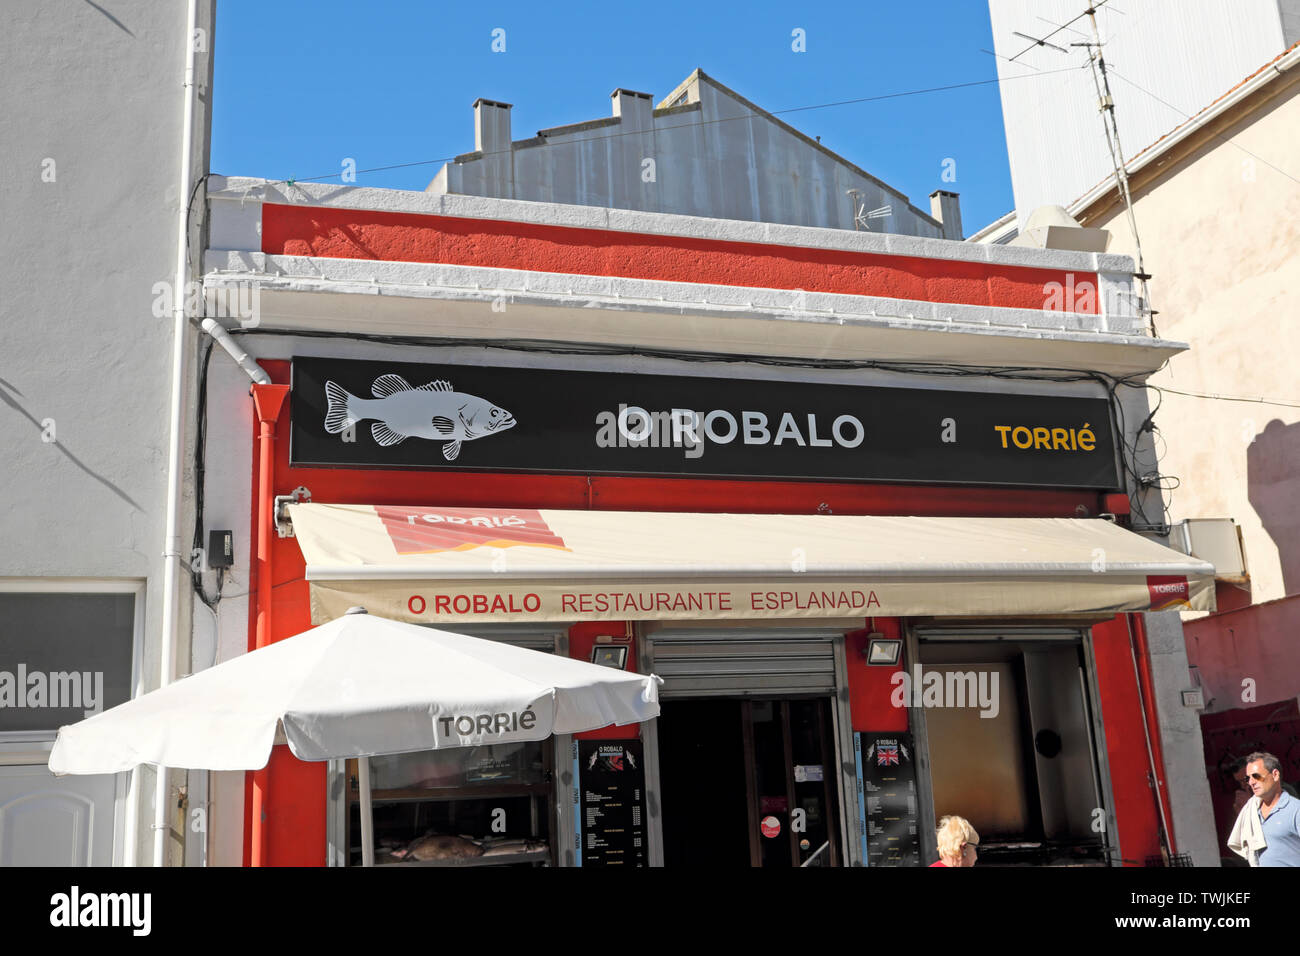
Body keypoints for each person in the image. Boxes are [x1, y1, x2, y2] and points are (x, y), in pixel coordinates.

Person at [1228, 751, 1300, 867]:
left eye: (1256, 776)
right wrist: (1242, 810)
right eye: (1246, 779)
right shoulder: (1252, 807)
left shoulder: (1291, 803)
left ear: (1275, 775)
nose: (1250, 783)